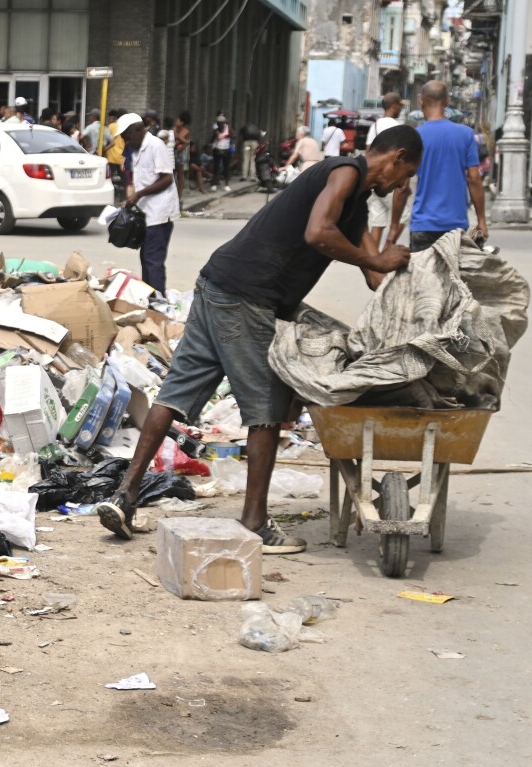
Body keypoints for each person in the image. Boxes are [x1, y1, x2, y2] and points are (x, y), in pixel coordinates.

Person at [95, 126, 422, 554]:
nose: (402, 185)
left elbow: (374, 273)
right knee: (266, 409)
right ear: (395, 157)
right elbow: (318, 233)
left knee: (174, 395)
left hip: (218, 283)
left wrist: (414, 300)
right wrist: (378, 257)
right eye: (404, 175)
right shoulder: (343, 171)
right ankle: (255, 522)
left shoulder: (356, 199)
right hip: (246, 297)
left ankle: (126, 495)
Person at [409, 80, 487, 251]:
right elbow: (474, 179)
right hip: (455, 225)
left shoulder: (414, 136)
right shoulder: (466, 134)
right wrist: (481, 220)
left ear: (421, 101)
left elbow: (401, 186)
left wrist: (393, 228)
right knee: (452, 276)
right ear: (447, 101)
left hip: (422, 224)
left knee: (422, 277)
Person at [117, 113, 179, 295]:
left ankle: (158, 302)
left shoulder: (155, 145)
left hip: (159, 214)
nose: (126, 141)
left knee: (153, 261)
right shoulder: (137, 148)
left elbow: (167, 179)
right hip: (147, 212)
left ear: (139, 129)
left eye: (127, 136)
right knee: (146, 258)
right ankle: (150, 298)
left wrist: (139, 195)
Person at [366, 92, 409, 247]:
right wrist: (404, 184)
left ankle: (372, 259)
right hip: (391, 182)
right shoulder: (398, 128)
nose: (401, 110)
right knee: (403, 216)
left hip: (376, 182)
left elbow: (368, 152)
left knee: (377, 222)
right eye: (400, 106)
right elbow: (403, 158)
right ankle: (386, 251)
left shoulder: (375, 126)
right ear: (395, 105)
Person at [211, 114, 233, 191]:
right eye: (218, 123)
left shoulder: (228, 129)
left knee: (226, 168)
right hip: (217, 149)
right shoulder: (215, 131)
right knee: (216, 167)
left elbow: (233, 136)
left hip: (226, 149)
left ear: (224, 123)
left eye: (221, 123)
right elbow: (211, 140)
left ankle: (226, 185)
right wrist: (215, 136)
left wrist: (229, 136)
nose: (220, 125)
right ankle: (214, 184)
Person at [173, 112, 192, 194]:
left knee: (180, 175)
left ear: (182, 122)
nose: (176, 122)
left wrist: (178, 139)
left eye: (178, 120)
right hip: (172, 152)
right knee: (172, 174)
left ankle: (179, 194)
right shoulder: (173, 129)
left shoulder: (186, 131)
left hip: (180, 154)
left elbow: (186, 143)